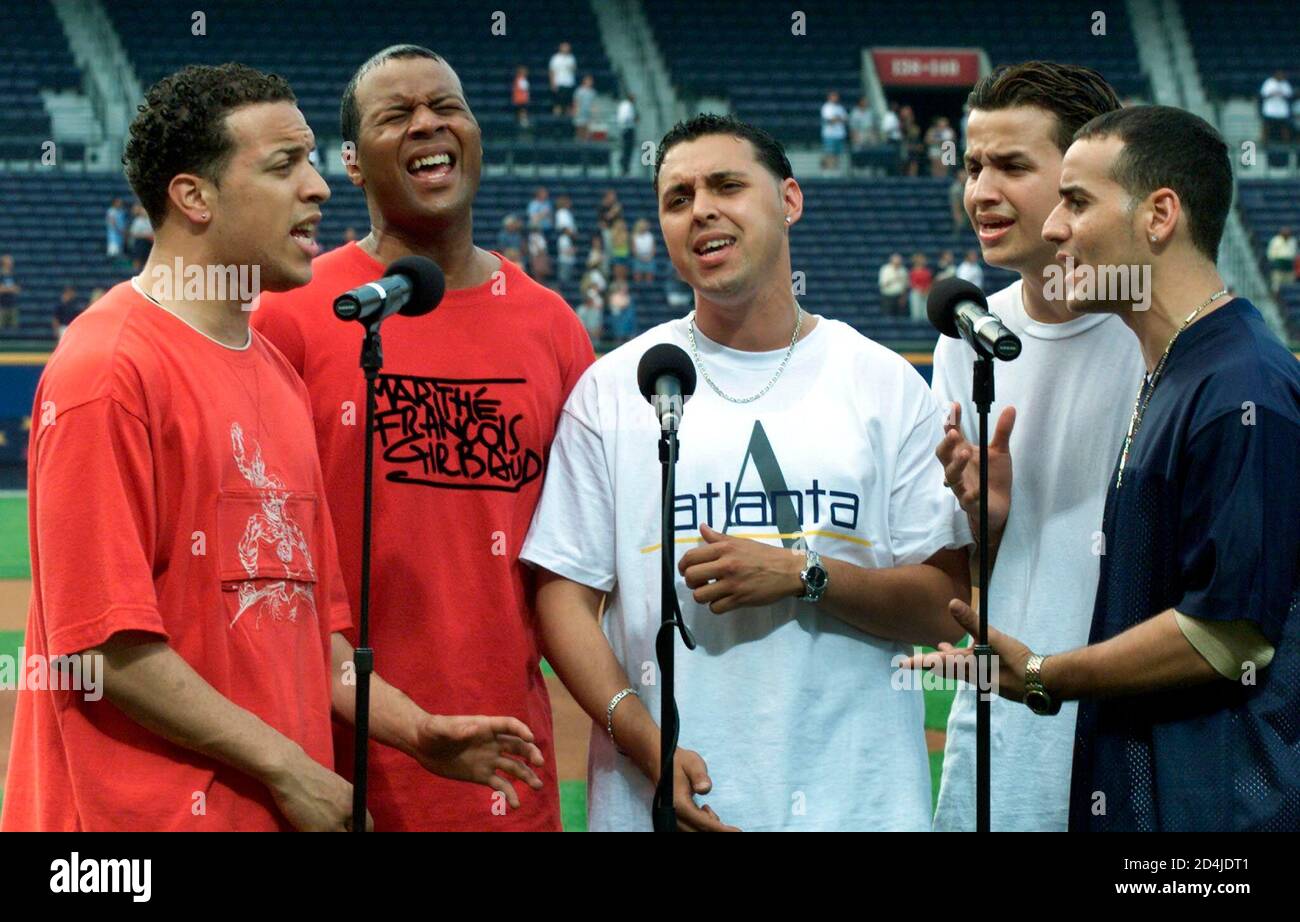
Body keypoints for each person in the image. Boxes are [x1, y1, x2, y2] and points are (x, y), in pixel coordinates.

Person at [1, 63, 542, 833]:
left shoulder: (279, 377)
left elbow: (312, 636)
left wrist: (415, 731)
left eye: (315, 160)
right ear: (194, 197)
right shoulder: (108, 370)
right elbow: (104, 651)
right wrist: (291, 768)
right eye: (285, 165)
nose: (319, 187)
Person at [520, 114, 971, 831]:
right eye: (677, 198)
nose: (701, 209)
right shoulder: (615, 388)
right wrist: (642, 738)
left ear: (789, 199)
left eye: (727, 184)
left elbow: (945, 601)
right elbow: (562, 597)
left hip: (855, 803)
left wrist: (803, 573)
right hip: (657, 801)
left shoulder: (882, 383)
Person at [918, 105, 1300, 832]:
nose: (1056, 228)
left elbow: (1229, 635)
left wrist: (1042, 674)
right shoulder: (1180, 373)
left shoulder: (1242, 386)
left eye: (1078, 202)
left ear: (1159, 215)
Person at [251, 45, 593, 832]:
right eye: (395, 115)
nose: (428, 124)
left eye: (447, 107)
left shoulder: (551, 326)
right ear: (350, 163)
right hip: (331, 776)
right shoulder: (292, 315)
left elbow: (581, 571)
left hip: (509, 774)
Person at [927, 61, 1137, 833]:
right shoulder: (965, 334)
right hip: (1002, 748)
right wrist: (988, 517)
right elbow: (971, 578)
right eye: (974, 164)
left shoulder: (1158, 335)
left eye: (1013, 165)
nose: (981, 190)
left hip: (1130, 740)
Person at [1260, 69, 1293, 145]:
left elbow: (1289, 95)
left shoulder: (1285, 83)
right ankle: (1264, 143)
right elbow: (1263, 95)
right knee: (1266, 127)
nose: (1281, 76)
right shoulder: (1269, 82)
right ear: (1275, 75)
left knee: (1284, 128)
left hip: (1282, 111)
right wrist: (1273, 93)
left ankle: (1286, 144)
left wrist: (1281, 94)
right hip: (1270, 110)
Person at [820, 90, 847, 171]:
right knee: (829, 153)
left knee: (837, 154)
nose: (835, 98)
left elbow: (845, 119)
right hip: (829, 134)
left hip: (839, 134)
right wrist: (837, 119)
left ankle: (836, 169)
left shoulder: (840, 108)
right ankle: (828, 170)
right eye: (833, 96)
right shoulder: (826, 107)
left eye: (836, 96)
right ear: (829, 97)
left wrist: (836, 119)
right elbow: (829, 120)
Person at [549, 41, 577, 116]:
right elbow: (552, 71)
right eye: (564, 47)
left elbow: (574, 69)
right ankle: (556, 120)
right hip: (559, 83)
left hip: (569, 83)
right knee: (558, 103)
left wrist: (572, 67)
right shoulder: (555, 58)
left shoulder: (571, 58)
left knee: (568, 104)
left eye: (567, 47)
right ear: (560, 48)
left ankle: (568, 121)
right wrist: (552, 83)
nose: (566, 48)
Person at [1267, 225, 1297, 294]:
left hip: (1289, 263)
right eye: (1285, 231)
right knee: (1277, 280)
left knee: (1289, 280)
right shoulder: (1276, 240)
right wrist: (1274, 261)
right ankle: (1275, 294)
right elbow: (1271, 252)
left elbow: (1294, 253)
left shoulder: (1293, 240)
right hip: (1279, 262)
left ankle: (1290, 294)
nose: (1286, 233)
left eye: (1287, 232)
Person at [877, 251, 907, 316]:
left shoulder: (903, 270)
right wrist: (894, 279)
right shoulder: (885, 269)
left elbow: (905, 285)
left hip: (899, 297)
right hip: (888, 296)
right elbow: (882, 285)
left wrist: (903, 297)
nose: (897, 263)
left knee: (900, 316)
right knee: (888, 316)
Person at [617, 91, 638, 175]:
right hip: (627, 130)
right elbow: (625, 118)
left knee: (628, 150)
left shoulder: (628, 105)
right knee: (627, 149)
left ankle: (626, 167)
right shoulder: (626, 106)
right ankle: (624, 166)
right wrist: (634, 119)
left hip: (627, 129)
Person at [907, 251, 931, 321]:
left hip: (926, 293)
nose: (923, 261)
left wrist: (926, 290)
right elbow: (912, 283)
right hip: (916, 293)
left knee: (926, 314)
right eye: (921, 259)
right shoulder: (912, 271)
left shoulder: (927, 271)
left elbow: (929, 282)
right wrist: (920, 290)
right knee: (916, 314)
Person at [632, 217, 656, 282]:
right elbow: (634, 250)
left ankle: (649, 290)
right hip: (638, 258)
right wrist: (641, 258)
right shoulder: (635, 236)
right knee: (637, 277)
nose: (643, 227)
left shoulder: (650, 236)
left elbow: (653, 249)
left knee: (649, 277)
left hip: (649, 258)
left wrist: (649, 257)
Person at [573, 74, 597, 141]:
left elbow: (593, 104)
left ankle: (586, 143)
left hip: (588, 113)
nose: (590, 82)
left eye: (591, 81)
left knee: (588, 130)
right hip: (580, 112)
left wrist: (594, 113)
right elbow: (576, 102)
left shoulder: (592, 92)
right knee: (580, 129)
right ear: (584, 81)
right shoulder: (579, 91)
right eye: (588, 81)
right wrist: (576, 112)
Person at [0, 254, 19, 330]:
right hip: (1, 305)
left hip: (13, 305)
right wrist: (11, 288)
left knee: (14, 328)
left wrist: (5, 288)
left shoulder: (14, 275)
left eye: (11, 262)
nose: (10, 264)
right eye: (8, 262)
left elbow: (17, 289)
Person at [511, 65, 530, 130]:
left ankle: (523, 122)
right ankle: (522, 123)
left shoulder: (521, 79)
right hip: (520, 100)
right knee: (522, 111)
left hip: (521, 99)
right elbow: (523, 90)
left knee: (522, 111)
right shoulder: (520, 79)